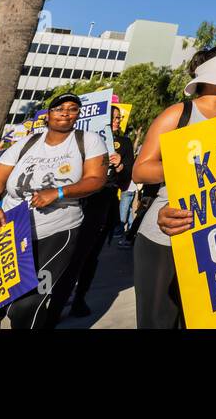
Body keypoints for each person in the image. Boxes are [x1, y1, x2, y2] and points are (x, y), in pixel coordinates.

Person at [134, 47, 216, 329]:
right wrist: (195, 167)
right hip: (164, 238)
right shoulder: (178, 114)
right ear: (210, 77)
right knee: (158, 321)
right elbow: (141, 169)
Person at [0, 95, 107, 329]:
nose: (65, 113)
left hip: (56, 233)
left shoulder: (89, 141)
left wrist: (59, 192)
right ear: (48, 113)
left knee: (30, 303)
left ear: (78, 115)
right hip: (9, 232)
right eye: (59, 108)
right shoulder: (25, 144)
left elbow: (96, 180)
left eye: (72, 109)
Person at [60, 102, 135, 318]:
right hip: (73, 202)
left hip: (102, 205)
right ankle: (55, 298)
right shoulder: (79, 141)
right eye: (113, 117)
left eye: (119, 118)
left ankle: (79, 298)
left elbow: (126, 180)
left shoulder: (124, 143)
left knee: (90, 255)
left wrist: (120, 166)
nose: (117, 121)